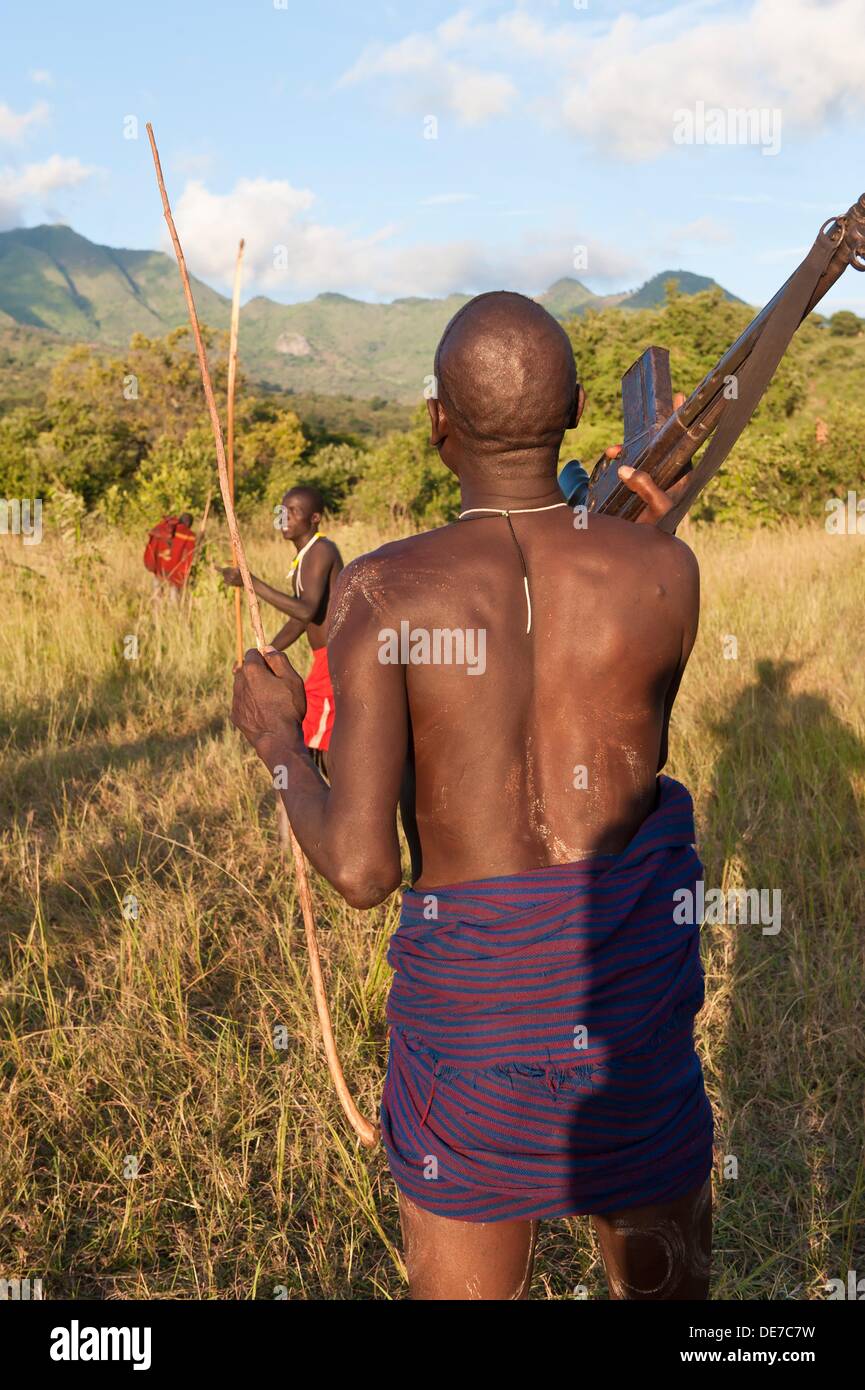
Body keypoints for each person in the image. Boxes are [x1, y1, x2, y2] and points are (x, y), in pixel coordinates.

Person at [230, 292, 713, 1301]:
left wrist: (280, 740)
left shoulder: (377, 591)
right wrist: (639, 549)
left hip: (472, 1034)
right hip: (629, 1011)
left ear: (436, 422)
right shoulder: (667, 570)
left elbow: (363, 869)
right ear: (578, 407)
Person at [222, 485, 343, 770]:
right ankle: (321, 801)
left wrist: (251, 582)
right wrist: (265, 655)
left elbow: (305, 609)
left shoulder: (321, 550)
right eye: (282, 511)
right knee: (315, 735)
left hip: (333, 656)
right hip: (323, 657)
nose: (285, 518)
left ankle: (331, 803)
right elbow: (301, 621)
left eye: (294, 512)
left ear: (314, 518)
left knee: (318, 735)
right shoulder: (305, 556)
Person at [144, 511, 196, 601]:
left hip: (159, 567)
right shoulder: (188, 535)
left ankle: (156, 613)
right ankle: (172, 614)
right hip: (174, 571)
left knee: (157, 595)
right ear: (189, 523)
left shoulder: (163, 527)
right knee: (174, 597)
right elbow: (189, 555)